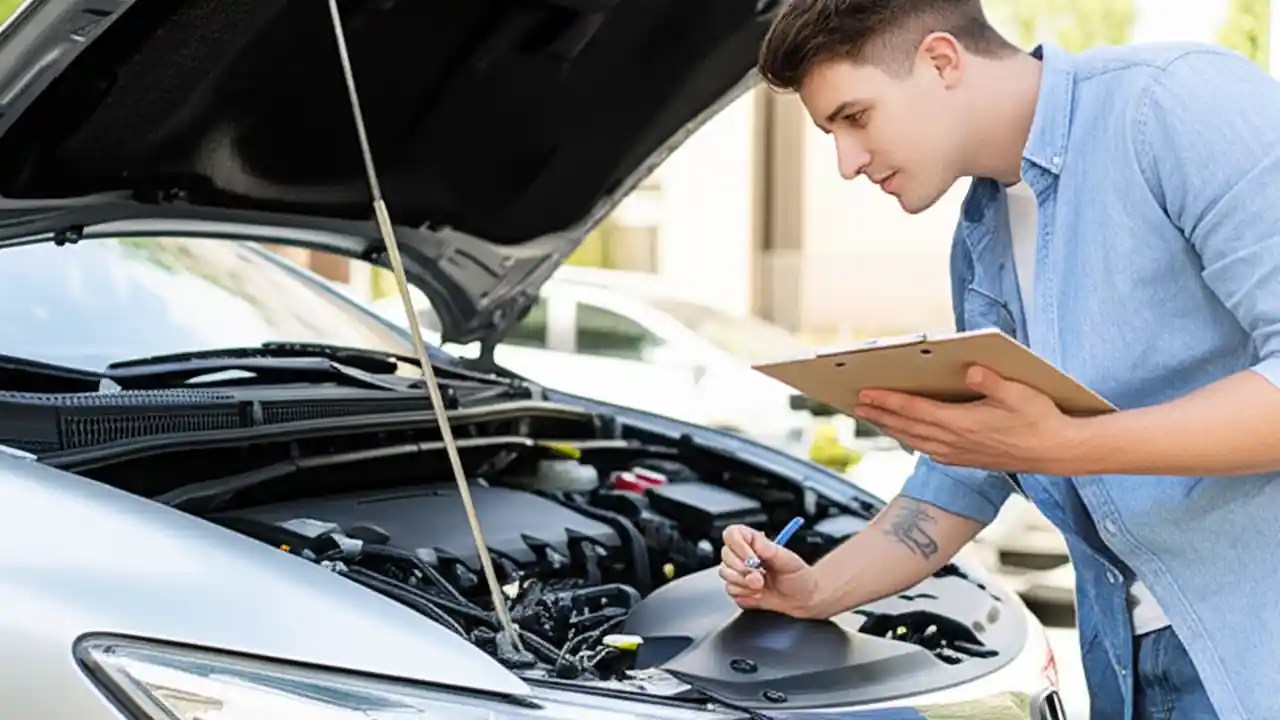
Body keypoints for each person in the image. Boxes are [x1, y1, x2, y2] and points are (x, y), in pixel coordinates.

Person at [719, 1, 1280, 718]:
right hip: (1130, 663)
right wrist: (816, 590)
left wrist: (1070, 446)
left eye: (856, 117)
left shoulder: (1172, 104)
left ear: (943, 61)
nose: (847, 163)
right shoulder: (981, 237)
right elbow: (969, 473)